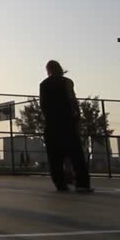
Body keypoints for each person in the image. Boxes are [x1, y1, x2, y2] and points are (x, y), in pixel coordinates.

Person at [39, 60, 92, 193]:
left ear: (48, 70)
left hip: (52, 123)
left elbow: (43, 105)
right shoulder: (67, 82)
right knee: (76, 154)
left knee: (54, 156)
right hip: (67, 121)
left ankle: (60, 184)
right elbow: (72, 98)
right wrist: (77, 114)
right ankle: (82, 183)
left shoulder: (44, 84)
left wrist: (48, 118)